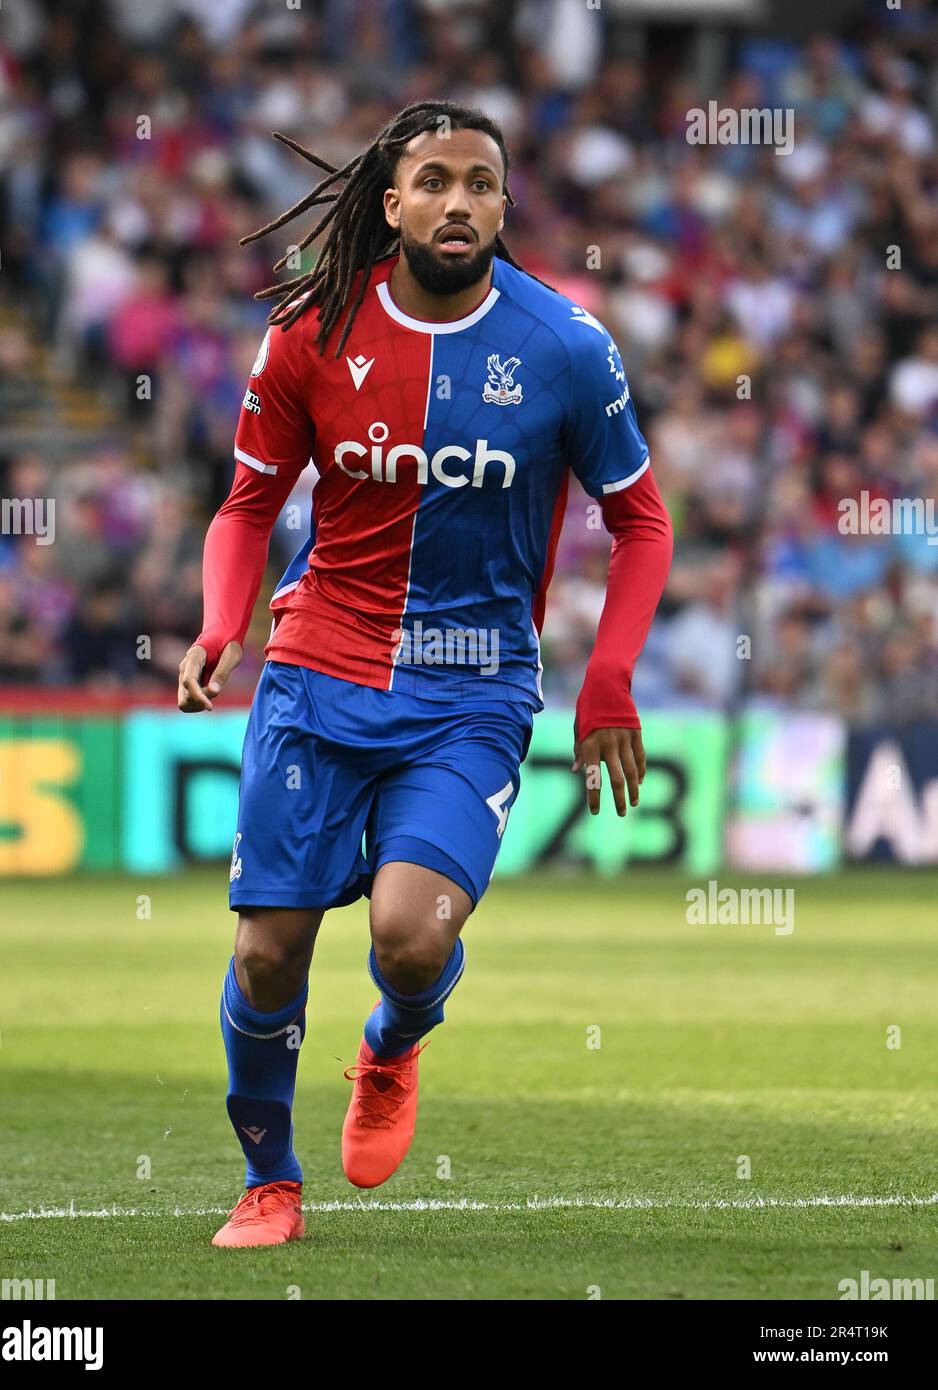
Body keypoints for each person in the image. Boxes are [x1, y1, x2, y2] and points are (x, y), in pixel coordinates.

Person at [176, 100, 673, 1247]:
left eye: (483, 184)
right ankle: (269, 1180)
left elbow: (639, 521)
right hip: (316, 668)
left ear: (505, 204)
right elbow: (248, 504)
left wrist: (608, 679)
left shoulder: (562, 345)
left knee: (409, 934)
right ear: (391, 203)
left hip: (472, 686)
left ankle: (391, 1045)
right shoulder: (310, 331)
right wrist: (218, 623)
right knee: (264, 950)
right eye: (436, 181)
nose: (461, 202)